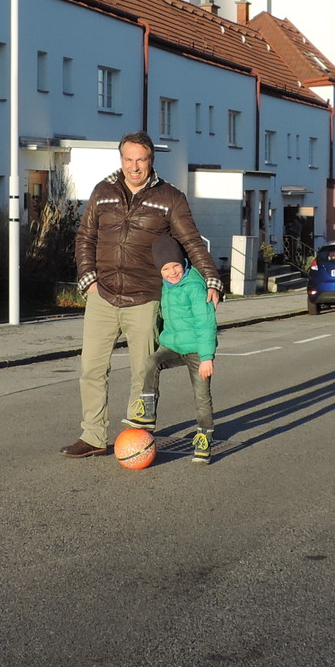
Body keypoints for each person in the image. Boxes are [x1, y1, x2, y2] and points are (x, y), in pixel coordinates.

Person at [62, 132, 221, 458]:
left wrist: (212, 279)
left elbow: (191, 241)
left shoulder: (169, 198)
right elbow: (85, 236)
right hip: (102, 294)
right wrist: (87, 279)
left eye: (141, 160)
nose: (134, 167)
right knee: (91, 369)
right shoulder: (103, 192)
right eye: (128, 159)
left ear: (151, 161)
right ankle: (92, 436)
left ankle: (138, 441)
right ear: (121, 160)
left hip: (146, 297)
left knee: (142, 372)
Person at [141, 234, 217, 463]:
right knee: (151, 362)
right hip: (173, 346)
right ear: (159, 271)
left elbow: (206, 323)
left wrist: (207, 357)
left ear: (183, 263)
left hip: (196, 351)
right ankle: (147, 411)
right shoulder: (165, 287)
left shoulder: (194, 287)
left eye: (175, 266)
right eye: (166, 269)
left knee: (202, 396)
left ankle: (204, 437)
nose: (172, 273)